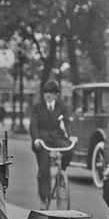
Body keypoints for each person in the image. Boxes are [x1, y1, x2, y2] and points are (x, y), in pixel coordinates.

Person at [29, 79, 72, 210]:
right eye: (46, 92)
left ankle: (62, 172)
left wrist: (73, 136)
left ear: (56, 94)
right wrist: (36, 139)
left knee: (70, 149)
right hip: (43, 140)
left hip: (57, 136)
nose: (48, 95)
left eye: (51, 93)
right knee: (44, 169)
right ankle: (44, 198)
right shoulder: (37, 107)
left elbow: (68, 123)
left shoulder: (62, 107)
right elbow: (33, 125)